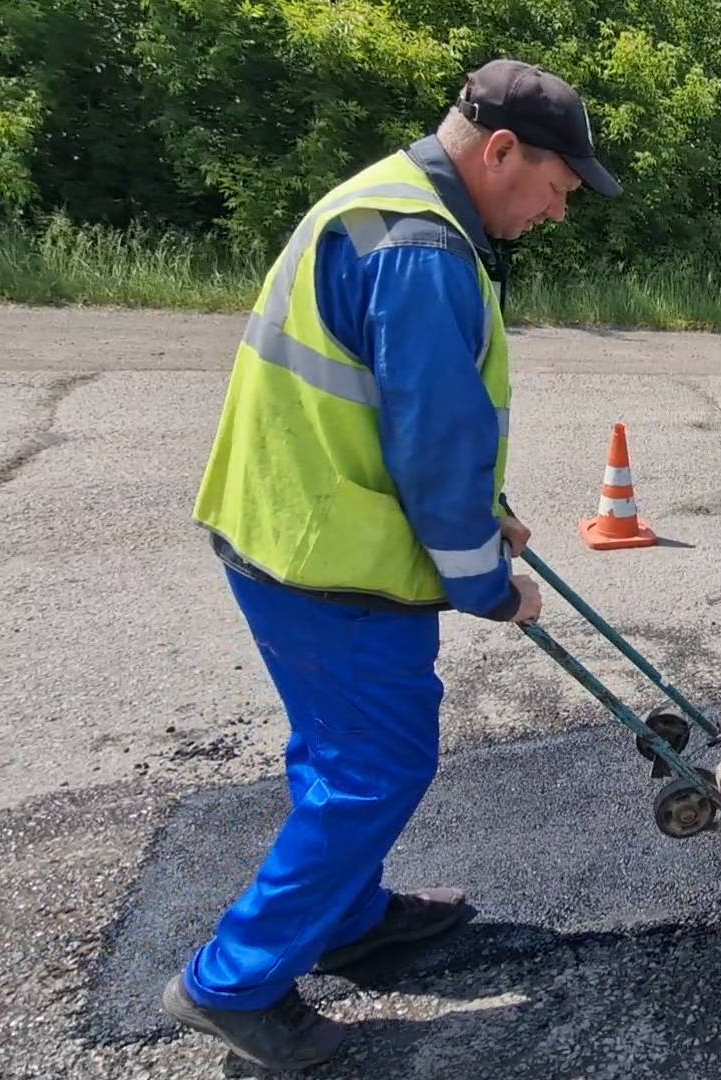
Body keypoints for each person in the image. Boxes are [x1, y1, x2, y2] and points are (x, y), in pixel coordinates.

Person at [161, 58, 620, 1071]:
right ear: (502, 152)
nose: (557, 211)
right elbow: (431, 444)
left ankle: (347, 916)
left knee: (338, 753)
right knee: (379, 766)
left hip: (282, 526)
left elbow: (400, 407)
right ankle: (231, 982)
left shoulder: (389, 204)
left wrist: (484, 509)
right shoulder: (423, 249)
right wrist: (489, 585)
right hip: (332, 559)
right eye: (557, 188)